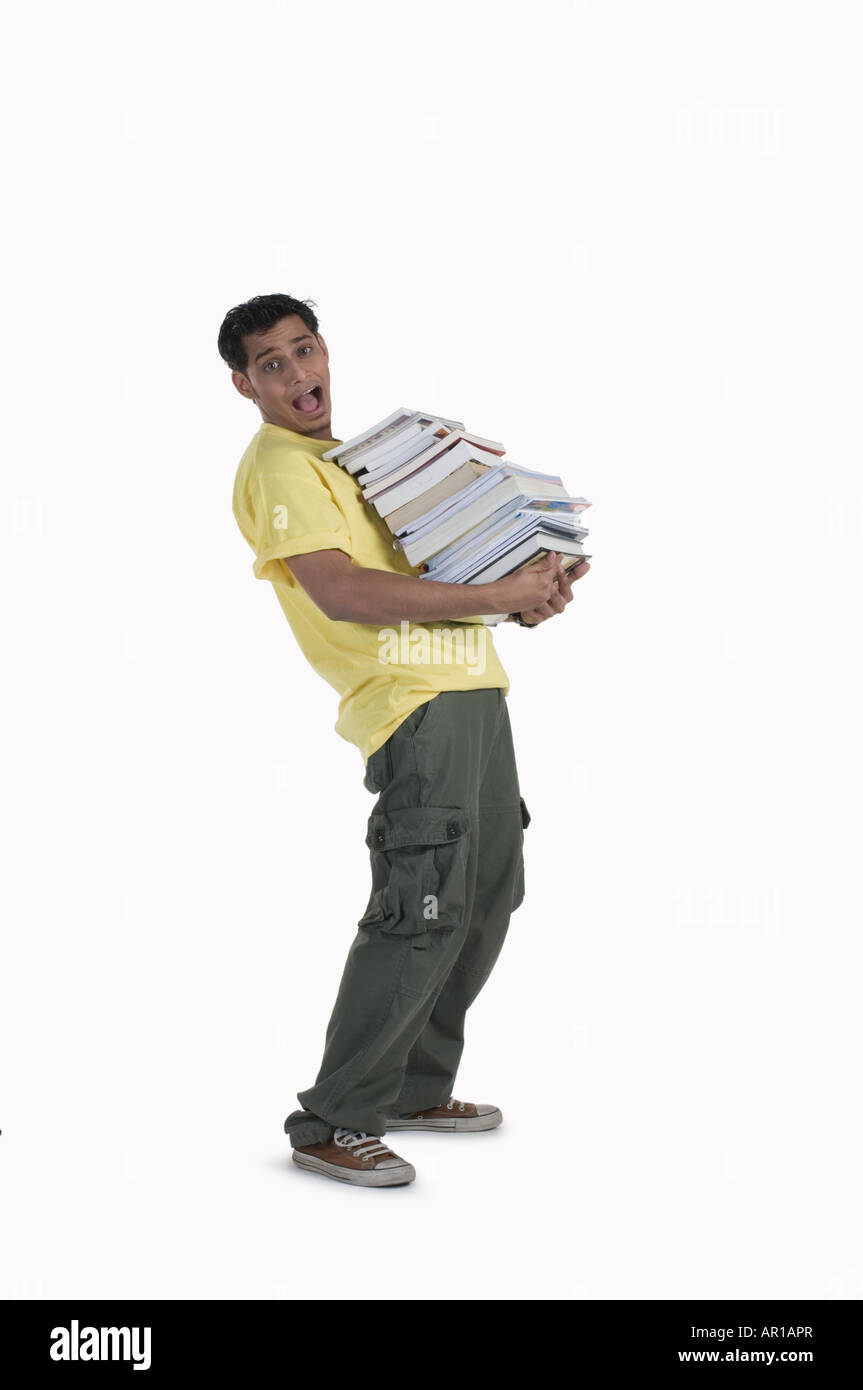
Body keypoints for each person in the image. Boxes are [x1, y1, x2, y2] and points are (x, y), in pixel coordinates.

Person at [218, 292, 590, 1187]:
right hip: (413, 707)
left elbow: (435, 580)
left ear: (325, 349)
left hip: (472, 692)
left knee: (483, 899)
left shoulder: (359, 463)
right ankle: (332, 1120)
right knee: (416, 912)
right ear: (245, 384)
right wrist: (497, 597)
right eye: (272, 363)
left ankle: (413, 1088)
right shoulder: (278, 465)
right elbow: (342, 593)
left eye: (304, 350)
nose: (298, 374)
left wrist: (531, 591)